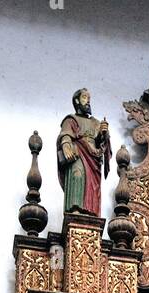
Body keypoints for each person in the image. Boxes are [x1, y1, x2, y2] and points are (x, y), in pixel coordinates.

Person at [57, 89, 110, 217]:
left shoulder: (95, 122)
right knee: (77, 174)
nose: (88, 101)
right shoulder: (71, 120)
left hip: (93, 159)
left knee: (93, 185)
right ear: (77, 100)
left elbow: (102, 143)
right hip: (78, 153)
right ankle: (75, 209)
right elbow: (65, 135)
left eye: (89, 98)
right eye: (85, 97)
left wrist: (104, 134)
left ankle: (91, 212)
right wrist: (66, 145)